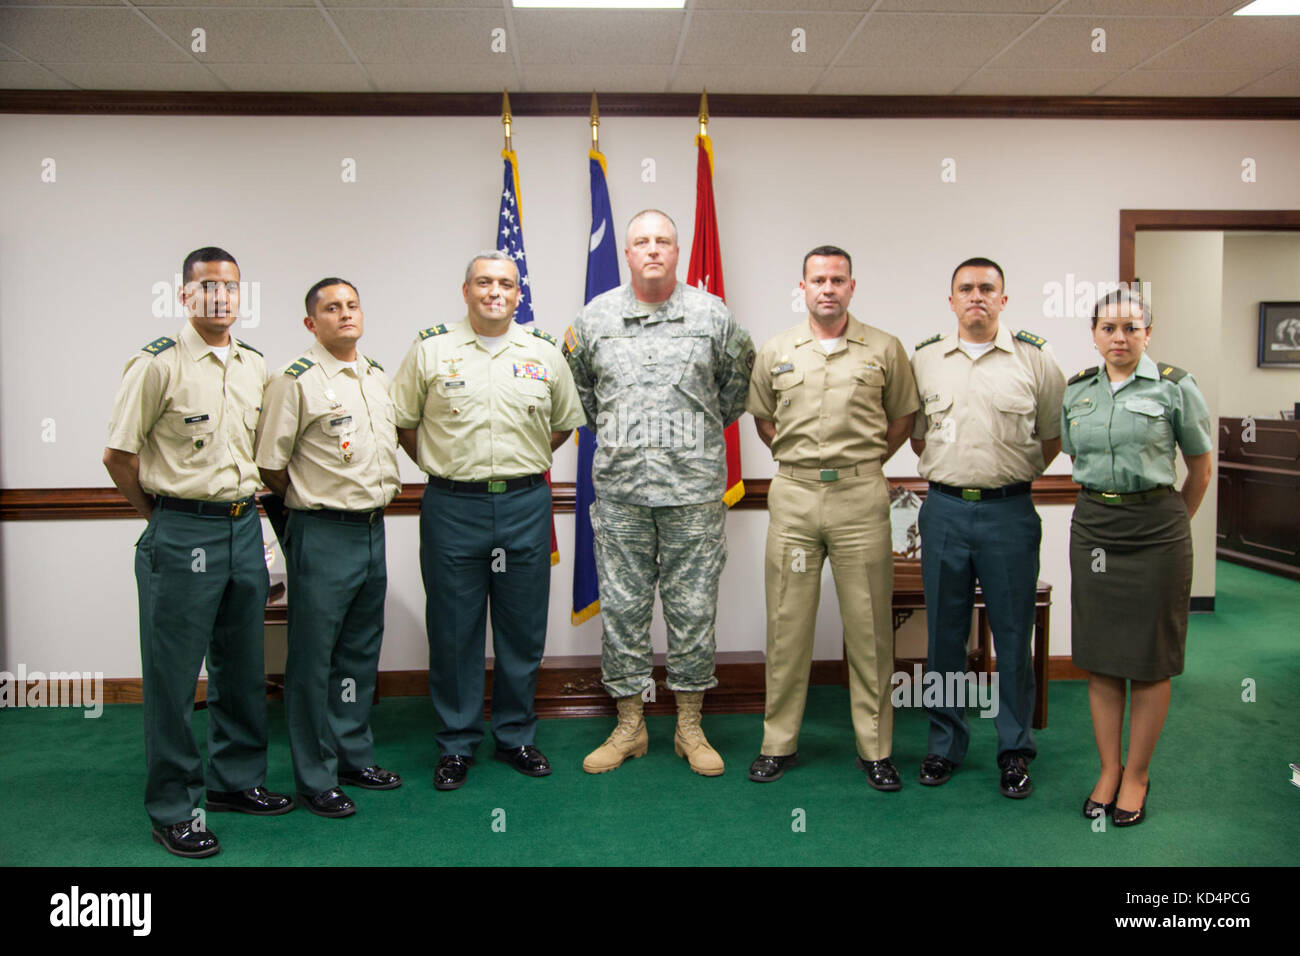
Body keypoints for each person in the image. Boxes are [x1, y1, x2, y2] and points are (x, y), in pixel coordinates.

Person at [104, 246, 292, 859]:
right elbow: (118, 457)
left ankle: (237, 783)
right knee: (174, 679)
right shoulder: (157, 365)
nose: (221, 297)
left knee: (241, 668)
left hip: (242, 526)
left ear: (242, 297)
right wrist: (162, 520)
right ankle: (173, 807)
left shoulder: (255, 366)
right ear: (185, 296)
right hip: (182, 530)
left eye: (231, 287)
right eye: (208, 286)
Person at [563, 209, 755, 777]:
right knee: (623, 611)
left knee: (693, 612)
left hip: (693, 494)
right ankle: (630, 728)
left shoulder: (712, 315)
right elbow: (583, 400)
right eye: (641, 241)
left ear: (678, 251)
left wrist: (684, 440)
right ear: (626, 253)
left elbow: (735, 392)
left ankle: (689, 728)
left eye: (663, 241)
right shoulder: (595, 318)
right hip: (621, 492)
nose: (652, 250)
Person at [391, 251, 585, 791]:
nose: (494, 291)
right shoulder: (431, 349)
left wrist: (518, 466)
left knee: (522, 629)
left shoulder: (544, 352)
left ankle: (517, 736)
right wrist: (445, 467)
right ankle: (456, 743)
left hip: (525, 504)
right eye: (484, 282)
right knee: (454, 630)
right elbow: (404, 423)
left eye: (505, 283)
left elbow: (563, 424)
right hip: (454, 507)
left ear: (518, 294)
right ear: (466, 290)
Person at [745, 246, 918, 789]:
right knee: (787, 624)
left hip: (860, 499)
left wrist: (859, 466)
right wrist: (806, 466)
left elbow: (902, 419)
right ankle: (778, 742)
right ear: (802, 286)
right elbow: (765, 423)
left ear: (852, 286)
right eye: (818, 279)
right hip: (794, 497)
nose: (827, 288)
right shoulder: (776, 350)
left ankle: (875, 749)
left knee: (868, 629)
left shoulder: (885, 348)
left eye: (837, 279)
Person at [910, 257, 1065, 798]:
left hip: (1009, 513)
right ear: (951, 300)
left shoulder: (1036, 362)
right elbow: (917, 435)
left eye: (987, 288)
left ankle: (1014, 750)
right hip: (946, 510)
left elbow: (1050, 439)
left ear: (1004, 298)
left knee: (1014, 635)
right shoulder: (925, 360)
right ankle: (944, 746)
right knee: (944, 638)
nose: (976, 296)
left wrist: (1005, 479)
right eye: (966, 288)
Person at [254, 278, 403, 818]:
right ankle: (315, 776)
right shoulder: (294, 382)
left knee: (359, 656)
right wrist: (308, 509)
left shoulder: (376, 378)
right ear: (310, 323)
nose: (345, 314)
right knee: (313, 662)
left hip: (372, 530)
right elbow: (270, 466)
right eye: (331, 308)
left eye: (352, 305)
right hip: (322, 532)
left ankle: (352, 757)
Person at [1063, 289, 1213, 827]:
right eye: (1108, 328)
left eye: (1131, 327)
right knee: (1101, 656)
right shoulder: (1078, 391)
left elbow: (1199, 468)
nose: (1119, 337)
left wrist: (1172, 525)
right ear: (1095, 334)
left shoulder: (1176, 386)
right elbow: (1074, 453)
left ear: (1148, 332)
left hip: (1157, 530)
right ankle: (1108, 769)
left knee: (1151, 659)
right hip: (1095, 527)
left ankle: (1138, 775)